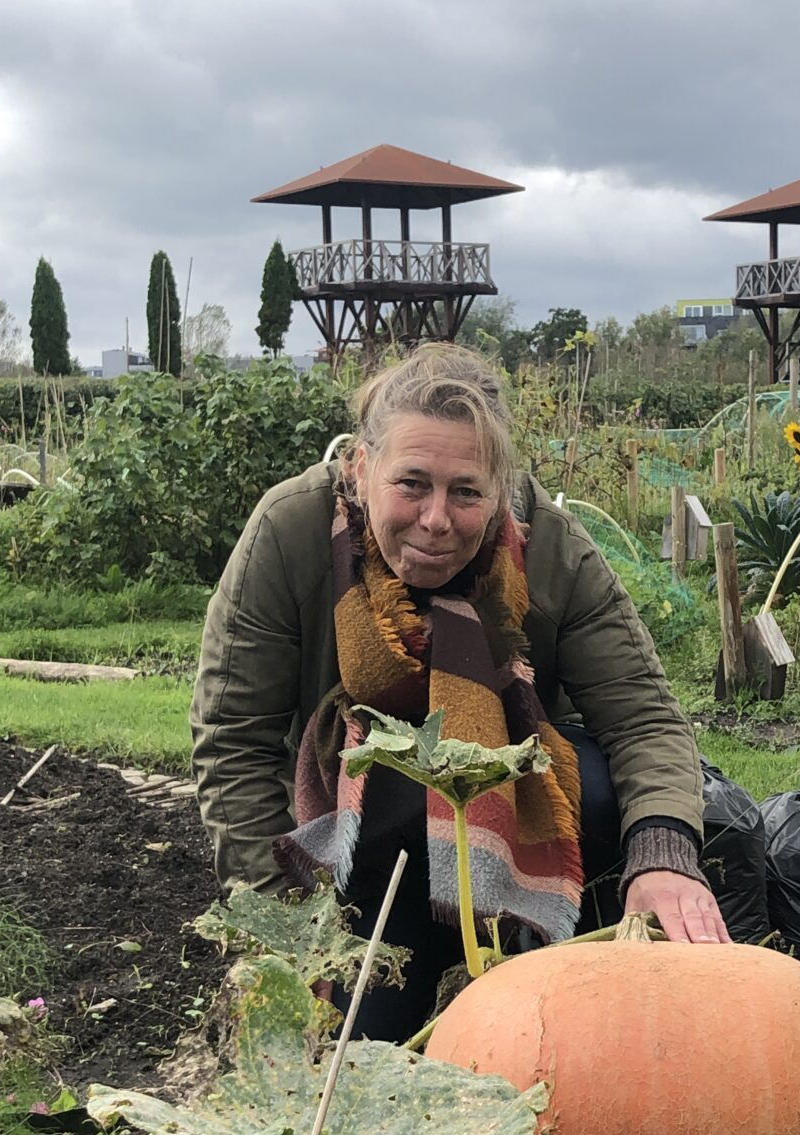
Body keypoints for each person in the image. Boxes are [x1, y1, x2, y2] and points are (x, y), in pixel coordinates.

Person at [190, 344, 728, 1041]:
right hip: (358, 854)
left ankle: (562, 984)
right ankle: (411, 973)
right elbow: (234, 737)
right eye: (412, 483)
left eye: (467, 491)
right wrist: (285, 926)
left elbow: (644, 717)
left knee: (593, 783)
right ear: (361, 467)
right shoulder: (291, 532)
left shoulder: (552, 549)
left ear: (500, 489)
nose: (437, 519)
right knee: (358, 1064)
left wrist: (663, 855)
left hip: (510, 844)